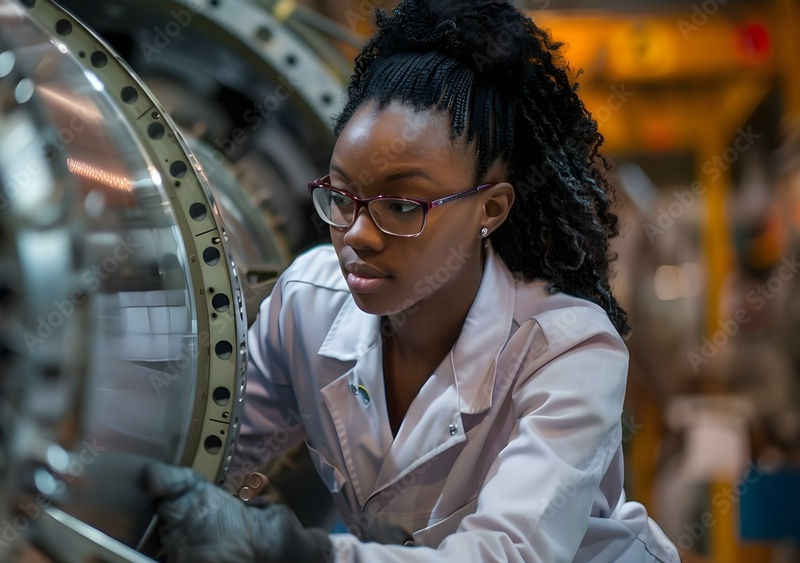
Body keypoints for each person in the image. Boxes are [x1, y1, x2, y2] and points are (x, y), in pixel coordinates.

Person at [140, 0, 680, 561]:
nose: (357, 236)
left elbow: (507, 553)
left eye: (401, 206)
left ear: (490, 210)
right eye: (341, 197)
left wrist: (291, 552)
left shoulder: (569, 352)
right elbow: (209, 451)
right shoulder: (307, 304)